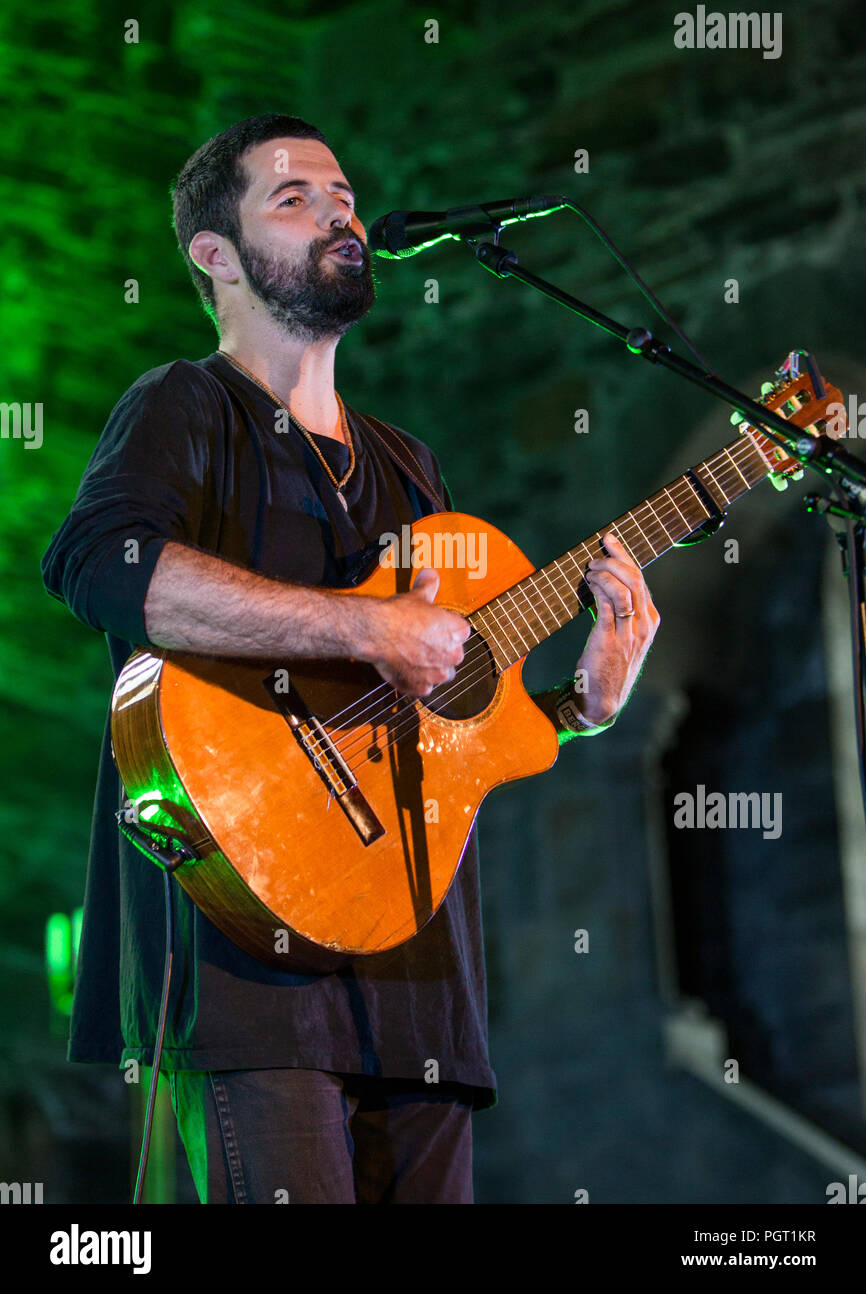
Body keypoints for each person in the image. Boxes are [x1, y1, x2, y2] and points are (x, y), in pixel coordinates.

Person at [41, 113, 660, 1204]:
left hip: (419, 973)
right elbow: (99, 562)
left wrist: (578, 705)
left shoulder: (407, 464)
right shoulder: (183, 404)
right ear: (213, 256)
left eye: (343, 192)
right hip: (246, 951)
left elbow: (441, 720)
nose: (341, 209)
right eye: (294, 196)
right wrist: (360, 626)